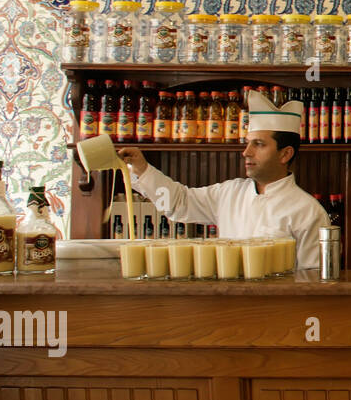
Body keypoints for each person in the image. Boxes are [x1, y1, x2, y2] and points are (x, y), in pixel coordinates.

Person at [117, 90, 330, 269]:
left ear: (285, 154)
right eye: (247, 144)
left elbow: (311, 280)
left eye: (258, 144)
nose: (246, 152)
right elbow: (178, 203)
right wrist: (141, 168)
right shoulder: (229, 193)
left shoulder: (308, 211)